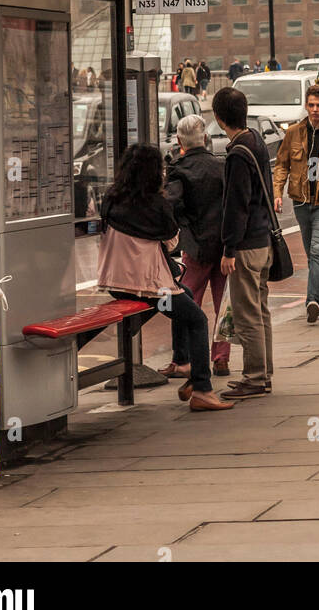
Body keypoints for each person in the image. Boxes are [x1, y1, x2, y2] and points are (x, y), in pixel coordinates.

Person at [96, 142, 233, 412]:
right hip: (149, 286)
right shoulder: (156, 203)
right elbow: (171, 243)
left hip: (115, 283)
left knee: (187, 296)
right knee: (197, 319)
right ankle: (203, 389)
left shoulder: (111, 198)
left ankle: (184, 362)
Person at [212, 85, 274, 399]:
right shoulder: (256, 142)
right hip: (263, 241)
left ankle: (255, 377)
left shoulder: (237, 153)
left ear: (219, 118)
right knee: (260, 311)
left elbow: (236, 205)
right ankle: (264, 373)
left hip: (246, 246)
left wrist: (229, 249)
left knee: (248, 313)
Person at [164, 114, 231, 378]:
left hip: (195, 247)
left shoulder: (178, 169)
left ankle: (187, 358)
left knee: (187, 303)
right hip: (223, 245)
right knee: (223, 304)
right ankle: (221, 358)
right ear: (205, 138)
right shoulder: (221, 166)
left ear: (180, 141)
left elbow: (171, 204)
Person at [273, 83, 319, 323]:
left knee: (317, 250)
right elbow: (282, 164)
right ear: (306, 105)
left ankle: (311, 300)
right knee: (313, 256)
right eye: (311, 105)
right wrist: (277, 192)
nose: (315, 110)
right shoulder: (293, 133)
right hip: (301, 202)